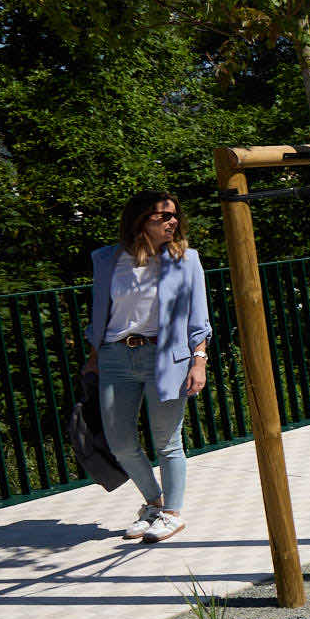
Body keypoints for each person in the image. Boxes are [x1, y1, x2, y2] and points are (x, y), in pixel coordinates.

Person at [82, 190, 211, 544]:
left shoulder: (186, 260)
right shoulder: (107, 259)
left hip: (165, 357)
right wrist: (94, 356)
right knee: (120, 442)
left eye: (175, 215)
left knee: (167, 441)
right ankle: (154, 504)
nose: (173, 221)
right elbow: (100, 311)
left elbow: (198, 316)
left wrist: (199, 360)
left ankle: (173, 514)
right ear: (141, 220)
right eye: (163, 216)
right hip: (115, 356)